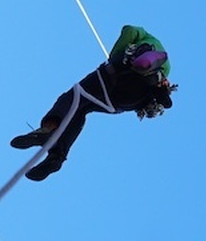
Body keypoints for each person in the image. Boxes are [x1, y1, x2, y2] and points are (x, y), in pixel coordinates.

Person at [11, 25, 176, 180]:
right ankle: (56, 158)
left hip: (113, 78)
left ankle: (48, 130)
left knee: (72, 98)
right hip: (123, 102)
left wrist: (114, 57)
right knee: (81, 110)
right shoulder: (165, 68)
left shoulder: (145, 36)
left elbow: (129, 30)